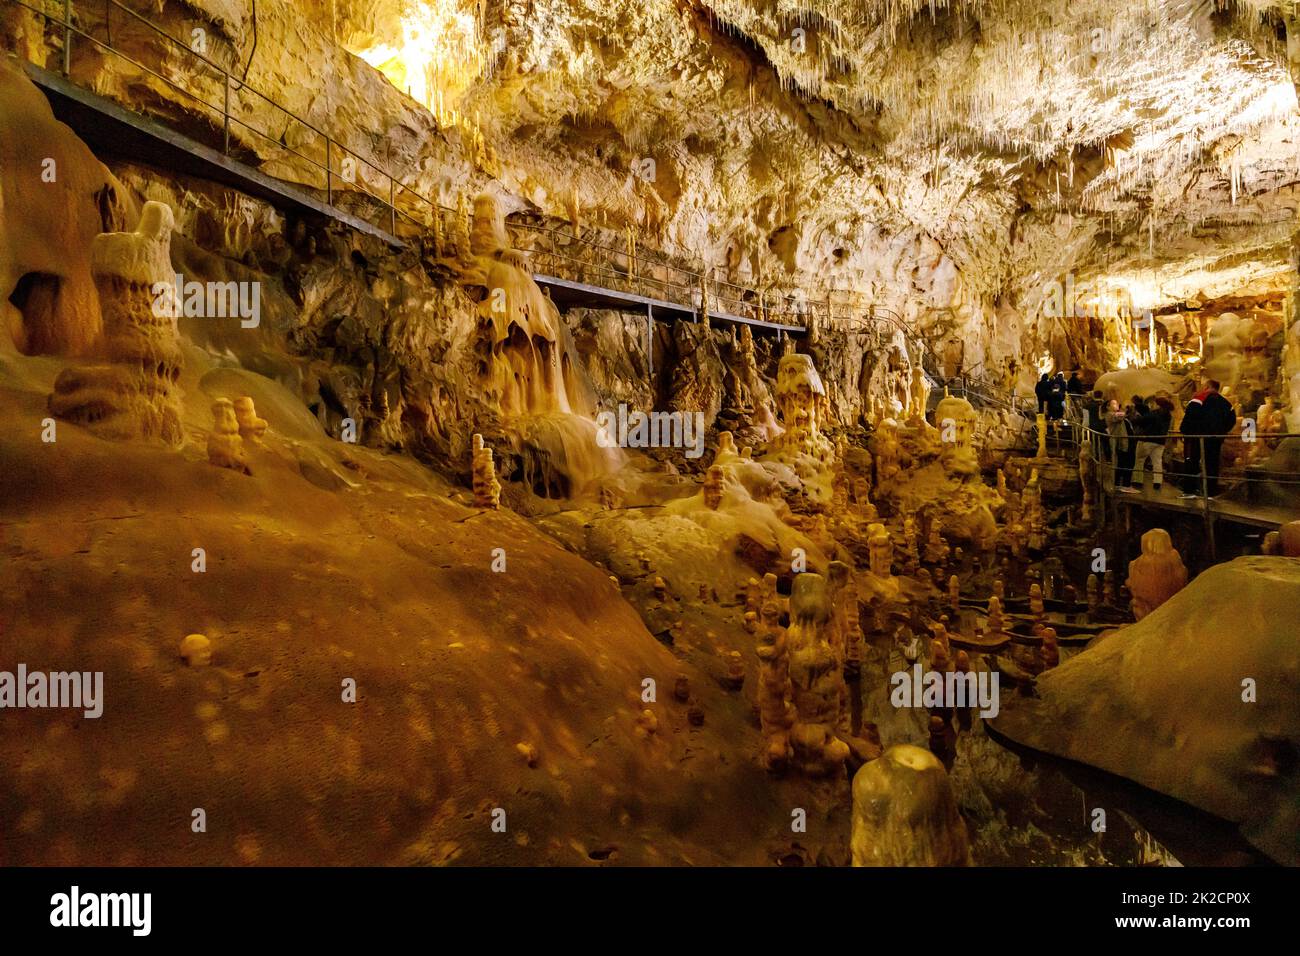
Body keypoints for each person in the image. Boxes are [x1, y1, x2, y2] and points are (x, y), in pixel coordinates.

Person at [1179, 380, 1236, 497]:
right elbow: (1232, 420)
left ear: (1207, 386)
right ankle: (1210, 493)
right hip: (1215, 438)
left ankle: (1189, 491)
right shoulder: (1226, 404)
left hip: (1196, 437)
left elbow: (1190, 416)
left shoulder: (1199, 399)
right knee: (1212, 464)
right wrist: (1222, 432)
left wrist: (1185, 430)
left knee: (1191, 461)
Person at [1128, 396, 1173, 492]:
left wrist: (1132, 417)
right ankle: (1157, 482)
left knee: (1139, 460)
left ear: (1157, 404)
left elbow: (1139, 422)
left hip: (1147, 440)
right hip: (1160, 441)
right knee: (1157, 462)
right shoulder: (1168, 415)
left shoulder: (1153, 414)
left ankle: (1137, 481)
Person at [1107, 399, 1134, 489]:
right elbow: (1119, 416)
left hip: (1123, 441)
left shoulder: (1120, 416)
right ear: (1108, 406)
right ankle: (1116, 482)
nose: (1116, 405)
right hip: (1116, 441)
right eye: (1114, 404)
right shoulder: (1109, 414)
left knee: (1123, 462)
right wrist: (1125, 410)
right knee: (1117, 461)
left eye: (1117, 403)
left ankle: (1123, 482)